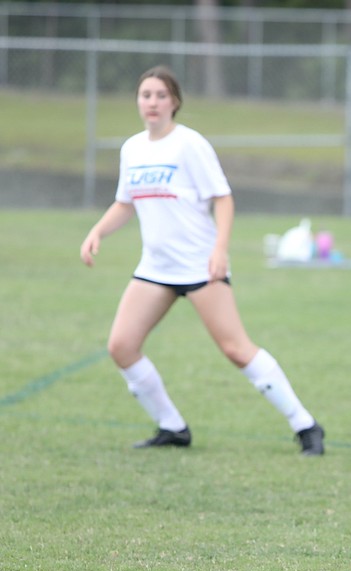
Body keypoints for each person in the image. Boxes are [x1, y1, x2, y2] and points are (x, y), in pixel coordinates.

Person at [79, 66, 325, 455]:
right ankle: (172, 426)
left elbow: (223, 197)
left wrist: (220, 249)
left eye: (161, 95)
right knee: (121, 346)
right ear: (138, 102)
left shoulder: (189, 144)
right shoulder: (132, 148)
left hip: (199, 265)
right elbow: (125, 203)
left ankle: (305, 425)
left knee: (236, 348)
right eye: (146, 95)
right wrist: (97, 231)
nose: (153, 102)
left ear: (175, 102)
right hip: (155, 269)